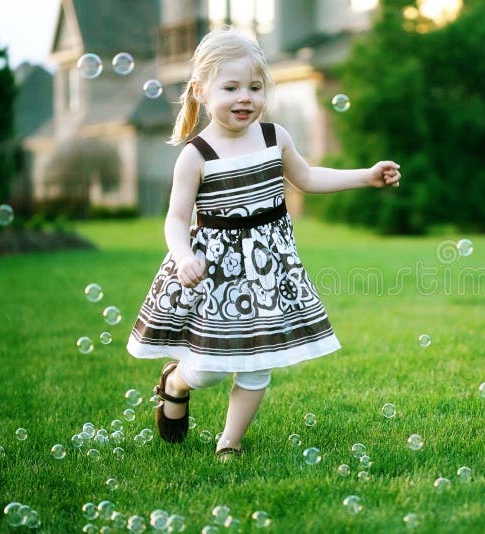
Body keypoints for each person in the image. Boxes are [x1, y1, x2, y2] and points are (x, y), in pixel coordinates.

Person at [126, 27, 401, 461]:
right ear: (201, 90)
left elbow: (308, 178)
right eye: (231, 87)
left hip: (269, 273)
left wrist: (364, 175)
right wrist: (183, 256)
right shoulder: (196, 155)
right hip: (216, 278)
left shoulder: (275, 137)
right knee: (210, 371)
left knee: (256, 368)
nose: (245, 98)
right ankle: (175, 383)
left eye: (255, 87)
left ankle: (228, 444)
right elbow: (177, 219)